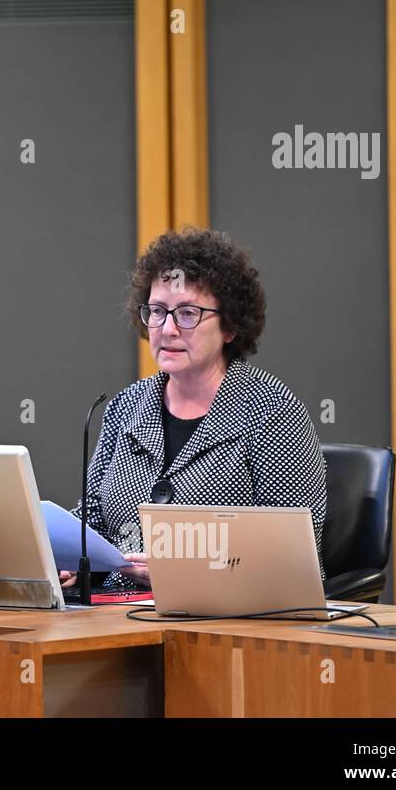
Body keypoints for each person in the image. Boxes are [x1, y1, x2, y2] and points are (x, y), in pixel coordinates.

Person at [64, 228, 327, 592]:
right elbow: (91, 520)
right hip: (117, 615)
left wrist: (186, 570)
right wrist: (69, 561)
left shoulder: (273, 410)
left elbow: (290, 552)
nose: (167, 329)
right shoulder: (125, 406)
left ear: (230, 326)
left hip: (231, 623)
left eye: (187, 313)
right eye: (157, 312)